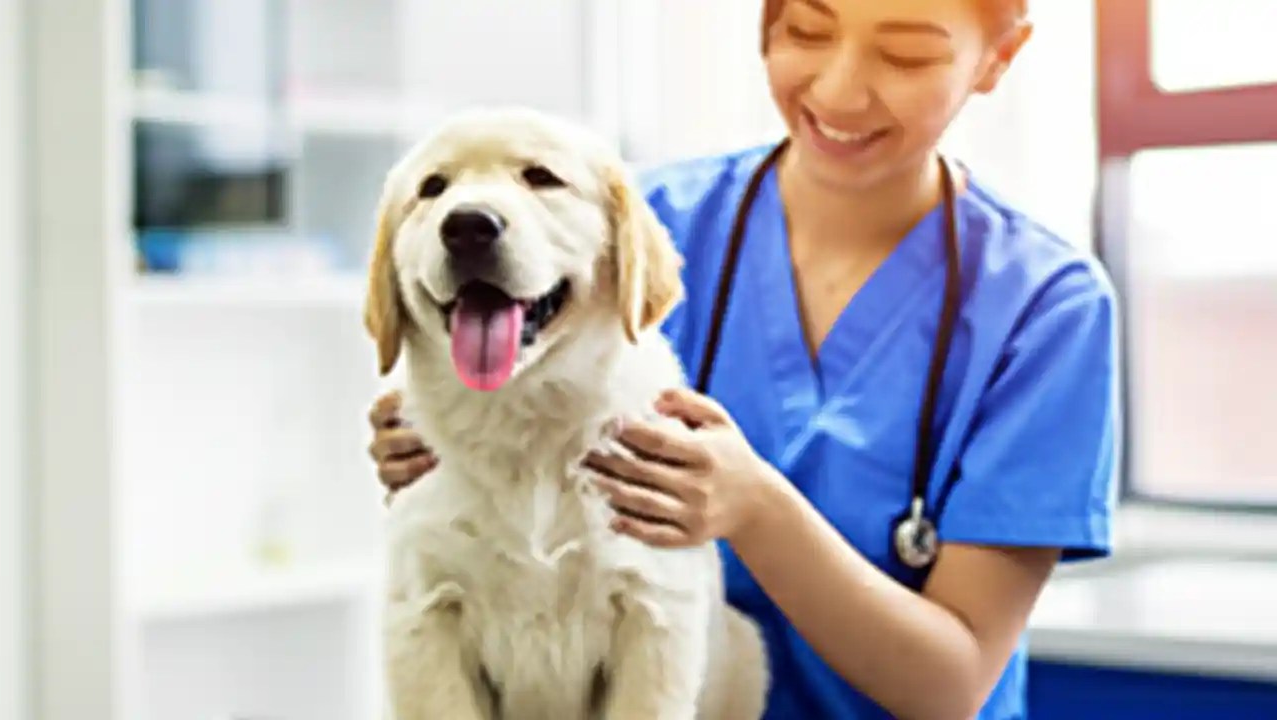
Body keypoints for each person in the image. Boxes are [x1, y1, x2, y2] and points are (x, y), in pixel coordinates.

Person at [366, 0, 1120, 717]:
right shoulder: (636, 230)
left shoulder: (1044, 307)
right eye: (807, 32)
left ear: (999, 56)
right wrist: (447, 427)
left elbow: (949, 689)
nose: (840, 89)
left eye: (905, 53)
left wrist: (756, 509)